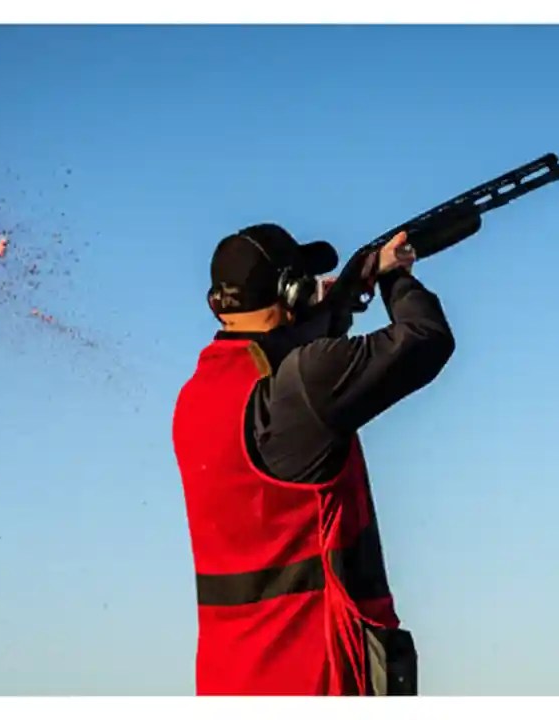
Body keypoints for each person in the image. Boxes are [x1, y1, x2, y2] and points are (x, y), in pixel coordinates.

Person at [171, 222, 455, 696]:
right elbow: (426, 337)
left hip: (229, 682)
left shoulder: (195, 400)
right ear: (292, 291)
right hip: (318, 676)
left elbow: (280, 364)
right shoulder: (307, 385)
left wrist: (343, 299)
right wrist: (394, 278)